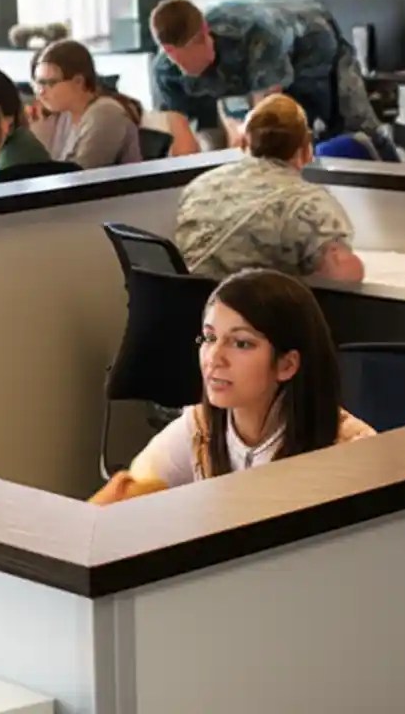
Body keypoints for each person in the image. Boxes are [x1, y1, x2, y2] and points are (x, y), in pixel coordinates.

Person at [90, 269, 375, 505]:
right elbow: (122, 498)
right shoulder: (200, 428)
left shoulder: (349, 450)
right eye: (209, 338)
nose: (214, 358)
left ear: (287, 365)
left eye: (241, 343)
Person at [149, 0, 399, 161]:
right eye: (177, 60)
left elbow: (269, 119)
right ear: (168, 51)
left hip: (317, 47)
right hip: (264, 71)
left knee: (354, 127)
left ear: (205, 32)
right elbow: (184, 146)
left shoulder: (256, 33)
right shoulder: (165, 72)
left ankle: (398, 172)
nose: (187, 68)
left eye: (192, 55)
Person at [173, 95, 365, 282]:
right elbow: (344, 278)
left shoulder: (200, 185)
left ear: (245, 144)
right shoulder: (312, 204)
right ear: (306, 149)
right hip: (254, 308)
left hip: (192, 305)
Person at [27, 40, 143, 169]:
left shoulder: (105, 113)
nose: (41, 92)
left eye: (50, 83)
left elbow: (80, 175)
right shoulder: (64, 114)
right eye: (38, 84)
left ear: (78, 81)